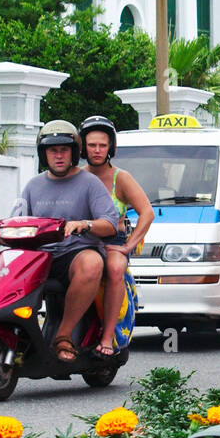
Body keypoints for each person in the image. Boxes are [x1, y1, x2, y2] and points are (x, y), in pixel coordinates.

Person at [0, 120, 118, 362]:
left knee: (92, 262)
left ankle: (63, 336)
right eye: (52, 151)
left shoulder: (89, 183)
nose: (59, 155)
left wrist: (86, 224)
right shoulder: (34, 185)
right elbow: (18, 222)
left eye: (64, 150)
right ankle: (14, 327)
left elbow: (110, 223)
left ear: (74, 152)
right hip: (39, 256)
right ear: (44, 154)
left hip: (74, 254)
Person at [79, 115, 154, 359]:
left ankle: (107, 337)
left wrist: (128, 246)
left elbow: (147, 213)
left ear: (111, 147)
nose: (97, 150)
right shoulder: (75, 176)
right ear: (82, 146)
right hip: (81, 245)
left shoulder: (120, 178)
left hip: (113, 243)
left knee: (114, 269)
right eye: (92, 145)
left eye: (102, 145)